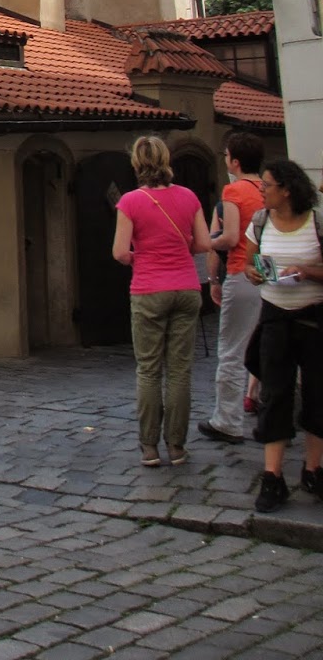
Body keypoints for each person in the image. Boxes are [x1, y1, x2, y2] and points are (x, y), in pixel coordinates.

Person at [112, 135, 210, 467]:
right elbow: (203, 244)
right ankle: (177, 446)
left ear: (137, 164)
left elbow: (120, 252)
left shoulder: (130, 201)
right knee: (180, 371)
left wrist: (141, 256)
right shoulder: (189, 197)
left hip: (149, 289)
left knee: (149, 370)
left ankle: (150, 446)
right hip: (186, 288)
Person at [242, 158, 323, 513]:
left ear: (287, 189)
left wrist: (305, 271)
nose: (262, 191)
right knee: (275, 393)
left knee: (318, 392)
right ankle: (273, 476)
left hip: (314, 317)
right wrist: (254, 274)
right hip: (275, 315)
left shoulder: (317, 223)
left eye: (268, 186)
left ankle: (314, 468)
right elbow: (249, 262)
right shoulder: (260, 223)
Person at [198, 132, 265, 445]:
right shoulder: (269, 188)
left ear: (235, 161)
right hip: (270, 273)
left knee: (231, 349)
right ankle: (270, 415)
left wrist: (199, 243)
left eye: (226, 155)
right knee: (267, 347)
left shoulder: (234, 189)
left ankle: (227, 420)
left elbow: (231, 236)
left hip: (241, 270)